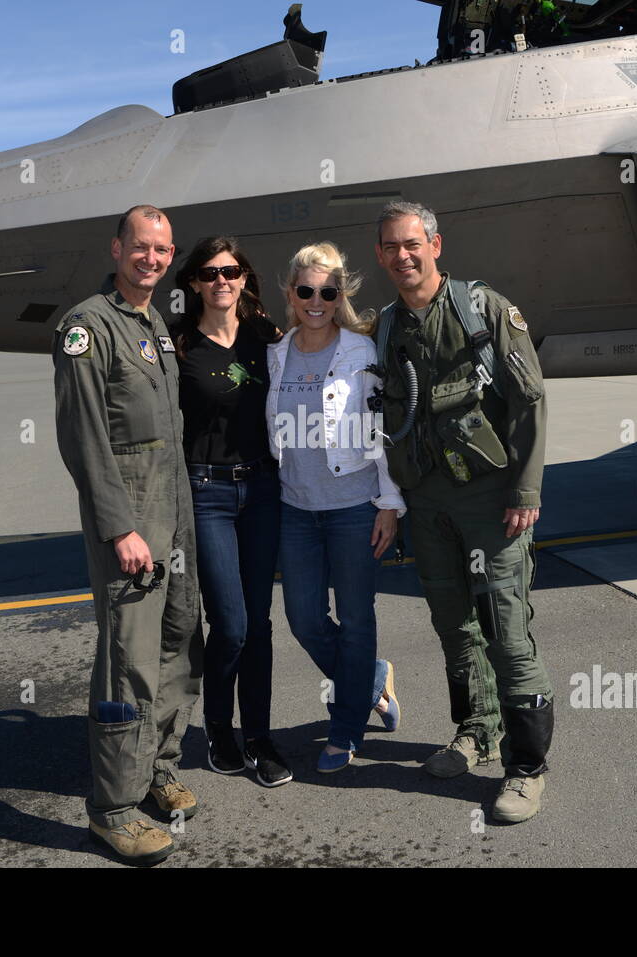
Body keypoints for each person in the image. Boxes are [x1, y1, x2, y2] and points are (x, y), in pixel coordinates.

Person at [372, 200, 555, 823]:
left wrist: (524, 492)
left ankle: (527, 768)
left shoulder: (485, 310)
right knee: (453, 626)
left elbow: (529, 401)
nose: (403, 256)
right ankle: (476, 730)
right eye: (392, 247)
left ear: (436, 245)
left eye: (412, 244)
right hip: (427, 501)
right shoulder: (385, 327)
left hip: (489, 496)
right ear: (381, 255)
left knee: (507, 630)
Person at [52, 204, 203, 866]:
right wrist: (121, 528)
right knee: (127, 662)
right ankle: (112, 808)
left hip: (176, 518)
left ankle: (155, 772)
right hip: (134, 525)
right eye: (141, 246)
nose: (152, 257)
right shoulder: (87, 327)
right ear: (117, 248)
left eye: (163, 249)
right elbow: (83, 438)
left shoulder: (155, 327)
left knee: (178, 642)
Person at [266, 242, 405, 772]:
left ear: (340, 294)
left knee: (355, 618)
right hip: (296, 507)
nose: (316, 300)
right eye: (306, 291)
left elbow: (382, 430)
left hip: (353, 505)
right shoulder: (278, 353)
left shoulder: (360, 352)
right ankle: (371, 679)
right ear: (291, 295)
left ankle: (345, 730)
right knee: (303, 618)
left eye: (328, 291)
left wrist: (389, 503)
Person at [171, 237, 292, 788]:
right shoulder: (177, 345)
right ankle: (219, 726)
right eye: (210, 272)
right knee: (232, 624)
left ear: (245, 278)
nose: (222, 280)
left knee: (261, 625)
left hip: (264, 489)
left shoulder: (267, 339)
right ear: (193, 282)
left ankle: (261, 735)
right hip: (209, 493)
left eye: (232, 270)